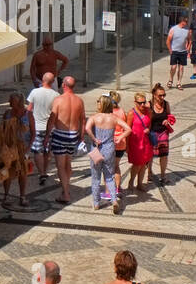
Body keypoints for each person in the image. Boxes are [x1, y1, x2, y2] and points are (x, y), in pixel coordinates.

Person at [84, 96, 131, 213]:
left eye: (98, 101)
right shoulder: (113, 118)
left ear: (102, 104)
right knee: (109, 176)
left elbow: (87, 128)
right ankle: (114, 200)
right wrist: (120, 137)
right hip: (109, 149)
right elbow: (128, 129)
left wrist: (94, 138)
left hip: (96, 150)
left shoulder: (94, 117)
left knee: (95, 178)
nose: (97, 103)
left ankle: (96, 203)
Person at [46, 76, 86, 204]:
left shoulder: (58, 100)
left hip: (60, 135)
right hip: (73, 135)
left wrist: (47, 136)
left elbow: (52, 120)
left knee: (60, 166)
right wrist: (82, 136)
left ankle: (66, 193)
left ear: (63, 85)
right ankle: (65, 189)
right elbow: (83, 120)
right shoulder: (79, 101)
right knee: (68, 163)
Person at [26, 72, 60, 182]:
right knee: (47, 151)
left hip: (36, 126)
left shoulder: (34, 92)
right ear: (53, 82)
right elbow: (56, 113)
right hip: (50, 128)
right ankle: (45, 170)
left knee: (37, 151)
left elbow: (29, 109)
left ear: (42, 80)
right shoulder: (56, 95)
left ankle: (41, 173)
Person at [3, 93, 34, 209]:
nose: (9, 102)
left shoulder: (28, 115)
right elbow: (2, 130)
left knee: (23, 173)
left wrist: (28, 148)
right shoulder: (7, 114)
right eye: (10, 100)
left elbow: (33, 133)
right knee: (8, 172)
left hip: (23, 148)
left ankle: (22, 196)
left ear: (19, 102)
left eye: (12, 101)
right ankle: (5, 195)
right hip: (9, 148)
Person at [126, 92, 153, 193]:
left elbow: (149, 124)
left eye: (144, 102)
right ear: (135, 102)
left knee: (144, 164)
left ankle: (140, 183)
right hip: (135, 143)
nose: (142, 105)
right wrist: (127, 145)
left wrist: (148, 129)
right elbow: (127, 129)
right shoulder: (131, 113)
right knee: (137, 164)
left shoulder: (148, 111)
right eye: (140, 103)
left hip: (146, 142)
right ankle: (131, 181)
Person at [148, 83, 173, 184]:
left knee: (164, 155)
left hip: (163, 132)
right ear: (154, 94)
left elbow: (170, 116)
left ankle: (163, 175)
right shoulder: (148, 105)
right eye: (160, 95)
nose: (162, 97)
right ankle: (149, 172)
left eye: (164, 95)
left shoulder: (166, 104)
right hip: (152, 133)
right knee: (150, 155)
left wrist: (168, 120)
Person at [108, 90, 129, 198]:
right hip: (121, 143)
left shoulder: (108, 112)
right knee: (116, 166)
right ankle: (117, 187)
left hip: (110, 142)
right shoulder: (122, 111)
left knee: (108, 167)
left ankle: (109, 190)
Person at [165, 14, 191, 90]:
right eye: (185, 21)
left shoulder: (187, 30)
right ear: (182, 21)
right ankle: (170, 79)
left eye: (187, 21)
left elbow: (190, 40)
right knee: (174, 67)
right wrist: (170, 50)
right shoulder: (173, 29)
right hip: (174, 51)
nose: (186, 22)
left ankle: (179, 82)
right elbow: (168, 41)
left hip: (183, 51)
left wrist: (188, 49)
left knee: (181, 68)